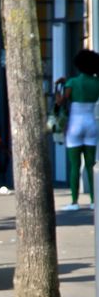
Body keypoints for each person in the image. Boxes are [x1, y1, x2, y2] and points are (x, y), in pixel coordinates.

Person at [58, 49, 99, 211]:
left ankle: (74, 202)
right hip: (91, 123)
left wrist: (59, 87)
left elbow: (61, 102)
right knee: (91, 165)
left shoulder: (72, 82)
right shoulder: (96, 83)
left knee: (75, 165)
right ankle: (93, 200)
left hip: (75, 124)